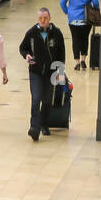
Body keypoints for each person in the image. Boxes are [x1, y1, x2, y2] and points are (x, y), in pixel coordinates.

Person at [18, 8, 67, 142]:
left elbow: (62, 54)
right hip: (36, 71)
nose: (43, 20)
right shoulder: (32, 33)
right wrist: (26, 55)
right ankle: (34, 128)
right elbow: (23, 47)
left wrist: (60, 74)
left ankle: (44, 124)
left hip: (51, 72)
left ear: (49, 18)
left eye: (45, 18)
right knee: (36, 99)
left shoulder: (56, 33)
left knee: (46, 100)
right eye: (40, 18)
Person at [59, 0, 99, 72]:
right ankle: (83, 60)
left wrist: (67, 12)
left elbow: (62, 2)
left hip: (73, 20)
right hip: (86, 19)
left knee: (75, 39)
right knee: (84, 38)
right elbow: (96, 3)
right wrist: (93, 11)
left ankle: (76, 62)